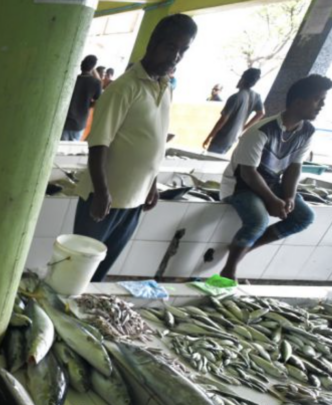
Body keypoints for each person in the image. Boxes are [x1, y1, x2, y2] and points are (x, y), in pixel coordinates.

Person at [71, 13, 198, 282]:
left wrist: (151, 185)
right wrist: (102, 192)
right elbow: (98, 144)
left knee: (102, 270)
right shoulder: (124, 88)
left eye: (183, 51)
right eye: (170, 47)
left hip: (134, 200)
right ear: (152, 43)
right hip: (103, 200)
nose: (176, 56)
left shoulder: (164, 88)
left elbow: (153, 142)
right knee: (80, 267)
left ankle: (83, 316)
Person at [217, 75, 331, 280]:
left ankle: (245, 249)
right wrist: (272, 200)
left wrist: (288, 197)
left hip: (270, 184)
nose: (322, 105)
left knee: (304, 217)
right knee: (258, 221)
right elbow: (248, 173)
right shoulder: (261, 131)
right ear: (298, 102)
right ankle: (229, 270)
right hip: (239, 187)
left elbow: (294, 168)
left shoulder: (307, 131)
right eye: (318, 99)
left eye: (323, 100)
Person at [202, 68, 265, 155]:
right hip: (233, 138)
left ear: (242, 79)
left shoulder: (235, 97)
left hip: (221, 138)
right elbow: (261, 113)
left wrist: (209, 137)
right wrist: (244, 128)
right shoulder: (256, 96)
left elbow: (222, 120)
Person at [62, 55, 103, 141]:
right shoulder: (96, 83)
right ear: (92, 68)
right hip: (79, 123)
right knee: (72, 152)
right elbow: (99, 100)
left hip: (65, 121)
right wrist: (89, 105)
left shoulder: (73, 79)